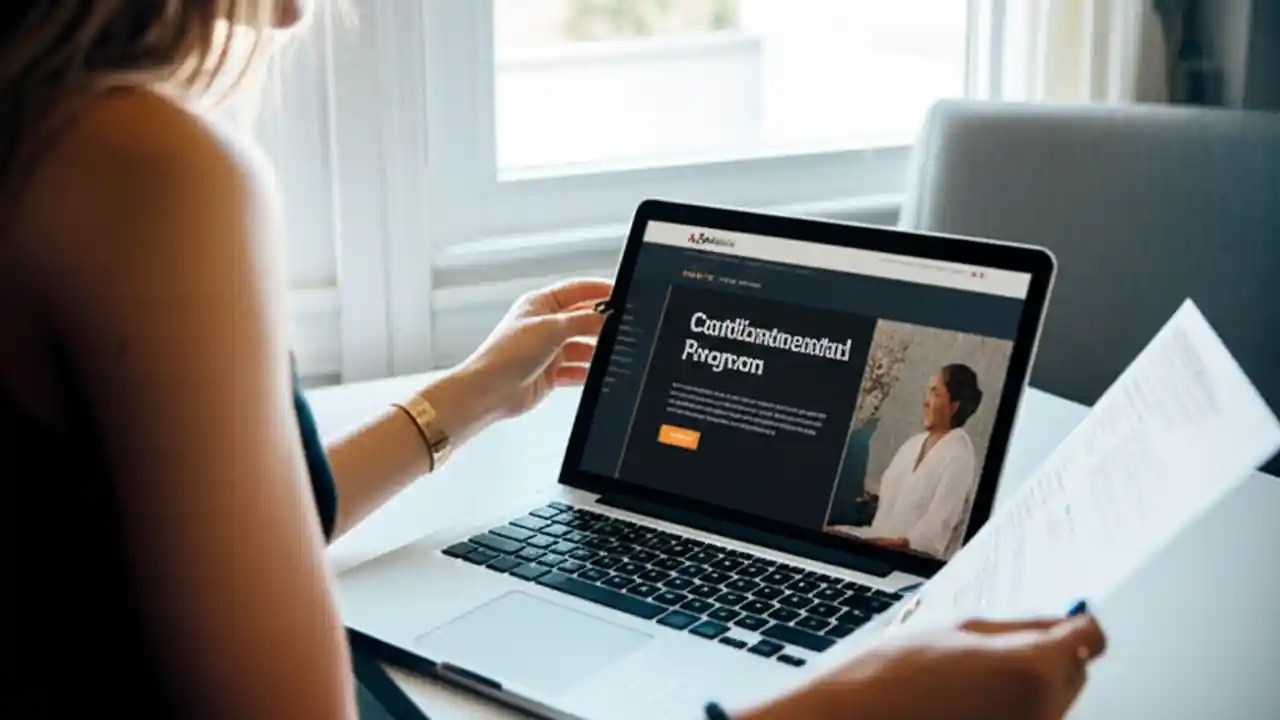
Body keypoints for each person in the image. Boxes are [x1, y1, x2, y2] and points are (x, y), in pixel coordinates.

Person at [0, 3, 1105, 717]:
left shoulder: (36, 132)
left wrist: (465, 400)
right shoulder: (144, 169)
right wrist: (851, 707)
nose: (303, 14)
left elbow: (160, 543)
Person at [830, 363, 983, 559]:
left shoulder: (960, 456)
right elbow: (885, 511)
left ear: (954, 406)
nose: (925, 401)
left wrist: (872, 544)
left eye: (935, 394)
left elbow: (933, 535)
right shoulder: (912, 445)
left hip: (909, 558)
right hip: (876, 541)